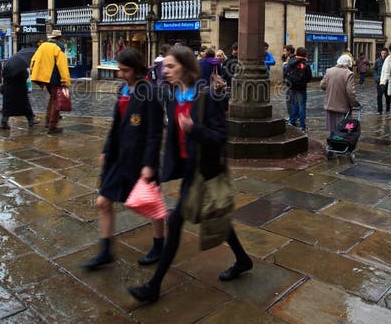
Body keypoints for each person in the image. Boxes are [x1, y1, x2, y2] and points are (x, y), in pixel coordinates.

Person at [128, 45, 252, 304]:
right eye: (165, 66)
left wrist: (195, 129)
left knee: (175, 223)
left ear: (185, 67)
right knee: (215, 216)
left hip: (205, 170)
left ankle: (153, 287)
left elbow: (221, 136)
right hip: (188, 169)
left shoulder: (207, 96)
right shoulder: (173, 96)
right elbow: (172, 134)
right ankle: (242, 259)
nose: (165, 70)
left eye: (171, 66)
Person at [84, 47, 165, 270]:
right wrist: (106, 150)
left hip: (140, 159)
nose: (121, 74)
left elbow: (155, 132)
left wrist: (149, 164)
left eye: (125, 70)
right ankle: (105, 251)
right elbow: (116, 123)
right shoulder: (123, 89)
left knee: (153, 205)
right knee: (103, 202)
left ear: (137, 69)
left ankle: (159, 246)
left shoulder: (150, 92)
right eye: (119, 70)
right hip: (118, 157)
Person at [30, 30, 71, 133]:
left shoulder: (43, 45)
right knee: (56, 100)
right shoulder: (59, 47)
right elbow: (62, 65)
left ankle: (48, 121)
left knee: (52, 98)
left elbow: (33, 60)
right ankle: (52, 125)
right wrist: (65, 80)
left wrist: (35, 73)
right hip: (54, 77)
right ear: (59, 37)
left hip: (44, 77)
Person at [320, 54, 360, 134]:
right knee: (342, 129)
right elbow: (350, 92)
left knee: (332, 129)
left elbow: (322, 85)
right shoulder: (348, 73)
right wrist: (355, 103)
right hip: (342, 107)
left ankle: (332, 140)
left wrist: (331, 88)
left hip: (330, 105)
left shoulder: (329, 71)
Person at [0, 52, 39, 130]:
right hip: (19, 91)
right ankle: (31, 120)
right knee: (25, 106)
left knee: (7, 108)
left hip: (8, 92)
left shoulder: (6, 68)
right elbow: (25, 76)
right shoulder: (20, 69)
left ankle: (4, 122)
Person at [285, 46, 313, 131]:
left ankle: (292, 121)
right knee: (302, 106)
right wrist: (303, 82)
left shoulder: (291, 62)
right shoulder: (305, 64)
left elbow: (286, 73)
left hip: (292, 87)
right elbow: (309, 77)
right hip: (301, 88)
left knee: (295, 104)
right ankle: (302, 126)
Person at [373, 48, 390, 114]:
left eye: (385, 53)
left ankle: (388, 109)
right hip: (380, 80)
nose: (383, 54)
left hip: (387, 81)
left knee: (387, 96)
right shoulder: (378, 61)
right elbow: (375, 69)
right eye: (382, 53)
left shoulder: (389, 61)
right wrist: (376, 78)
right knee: (379, 96)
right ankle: (379, 110)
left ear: (387, 54)